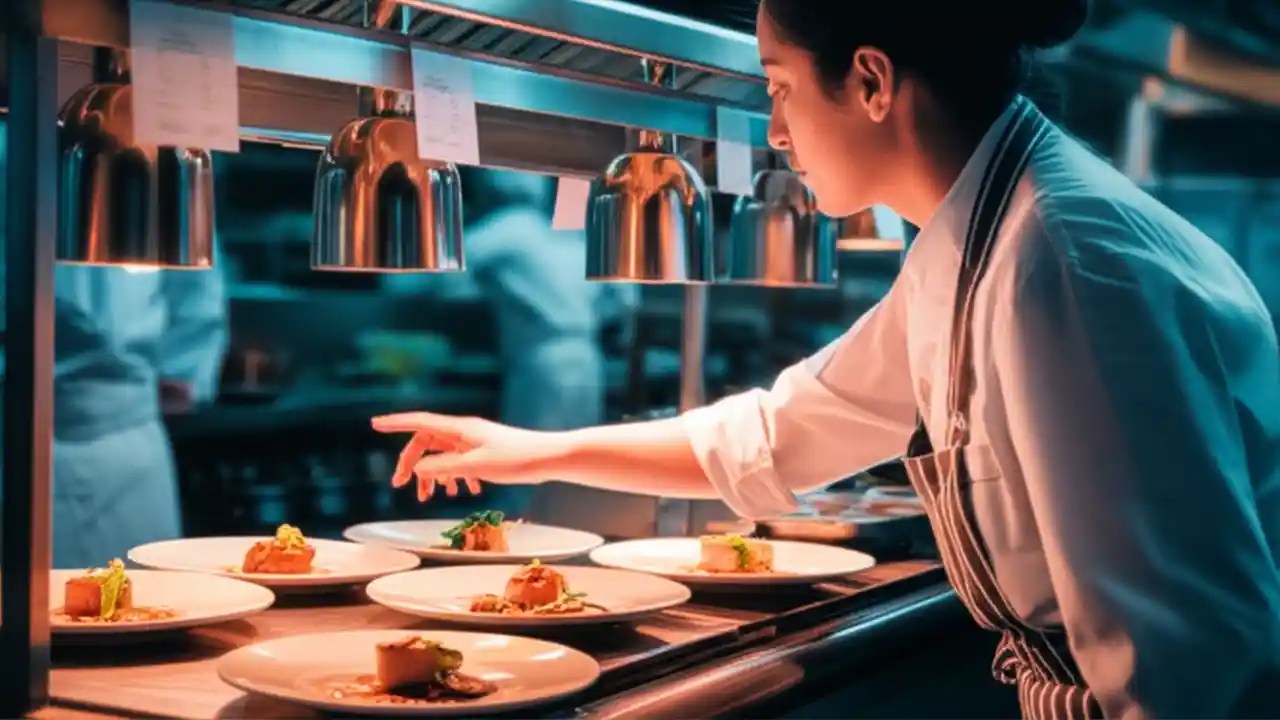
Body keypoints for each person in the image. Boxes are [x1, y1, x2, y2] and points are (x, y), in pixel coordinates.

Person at [371, 1, 1280, 717]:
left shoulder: (1059, 265)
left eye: (779, 86)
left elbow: (1187, 675)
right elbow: (781, 431)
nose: (774, 129)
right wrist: (527, 449)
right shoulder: (978, 242)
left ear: (872, 81)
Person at [0, 119, 230, 568]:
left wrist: (185, 366)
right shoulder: (15, 132)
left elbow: (198, 280)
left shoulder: (159, 148)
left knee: (153, 595)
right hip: (17, 430)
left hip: (129, 437)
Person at [383, 166, 633, 516]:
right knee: (572, 470)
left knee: (524, 472)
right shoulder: (565, 233)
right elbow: (621, 301)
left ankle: (517, 540)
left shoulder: (509, 227)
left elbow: (408, 283)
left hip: (542, 363)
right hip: (588, 359)